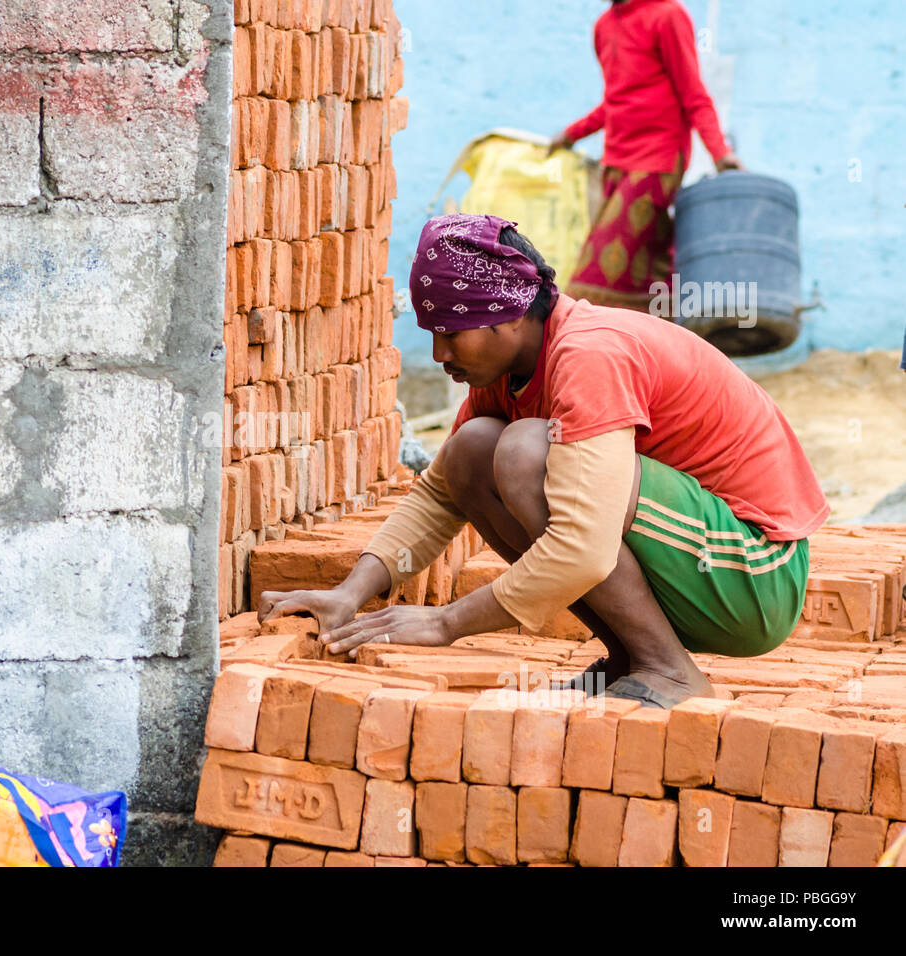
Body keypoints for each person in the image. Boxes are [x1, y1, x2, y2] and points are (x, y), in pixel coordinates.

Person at [259, 214, 828, 708]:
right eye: (431, 334)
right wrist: (350, 593)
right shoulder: (508, 369)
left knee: (525, 453)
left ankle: (668, 670)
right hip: (700, 563)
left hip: (755, 576)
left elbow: (581, 549)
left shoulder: (590, 354)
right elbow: (441, 495)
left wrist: (445, 622)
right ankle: (630, 658)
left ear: (509, 317)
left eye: (453, 333)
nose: (439, 355)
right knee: (472, 449)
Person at [548, 0, 743, 312]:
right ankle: (671, 337)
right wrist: (572, 133)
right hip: (614, 162)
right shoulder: (604, 26)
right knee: (649, 265)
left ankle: (596, 333)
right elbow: (616, 100)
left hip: (657, 161)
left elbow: (693, 94)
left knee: (598, 273)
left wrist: (720, 153)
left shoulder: (668, 15)